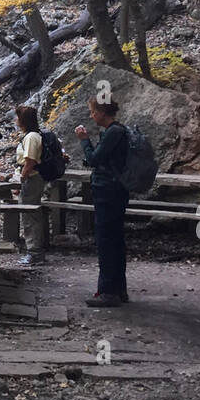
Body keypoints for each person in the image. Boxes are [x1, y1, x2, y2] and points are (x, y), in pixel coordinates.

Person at [75, 97, 130, 307]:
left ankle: (108, 291)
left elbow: (95, 159)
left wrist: (84, 140)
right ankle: (119, 289)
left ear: (102, 112)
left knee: (107, 241)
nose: (91, 115)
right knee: (115, 240)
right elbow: (95, 159)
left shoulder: (114, 132)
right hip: (113, 190)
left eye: (92, 111)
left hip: (109, 192)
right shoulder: (113, 132)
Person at [13, 105, 49, 264]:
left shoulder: (31, 137)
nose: (15, 120)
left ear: (23, 120)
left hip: (31, 178)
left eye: (17, 117)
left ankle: (34, 252)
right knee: (31, 214)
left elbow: (30, 162)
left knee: (29, 215)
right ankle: (34, 250)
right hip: (32, 178)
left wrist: (21, 180)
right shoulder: (32, 135)